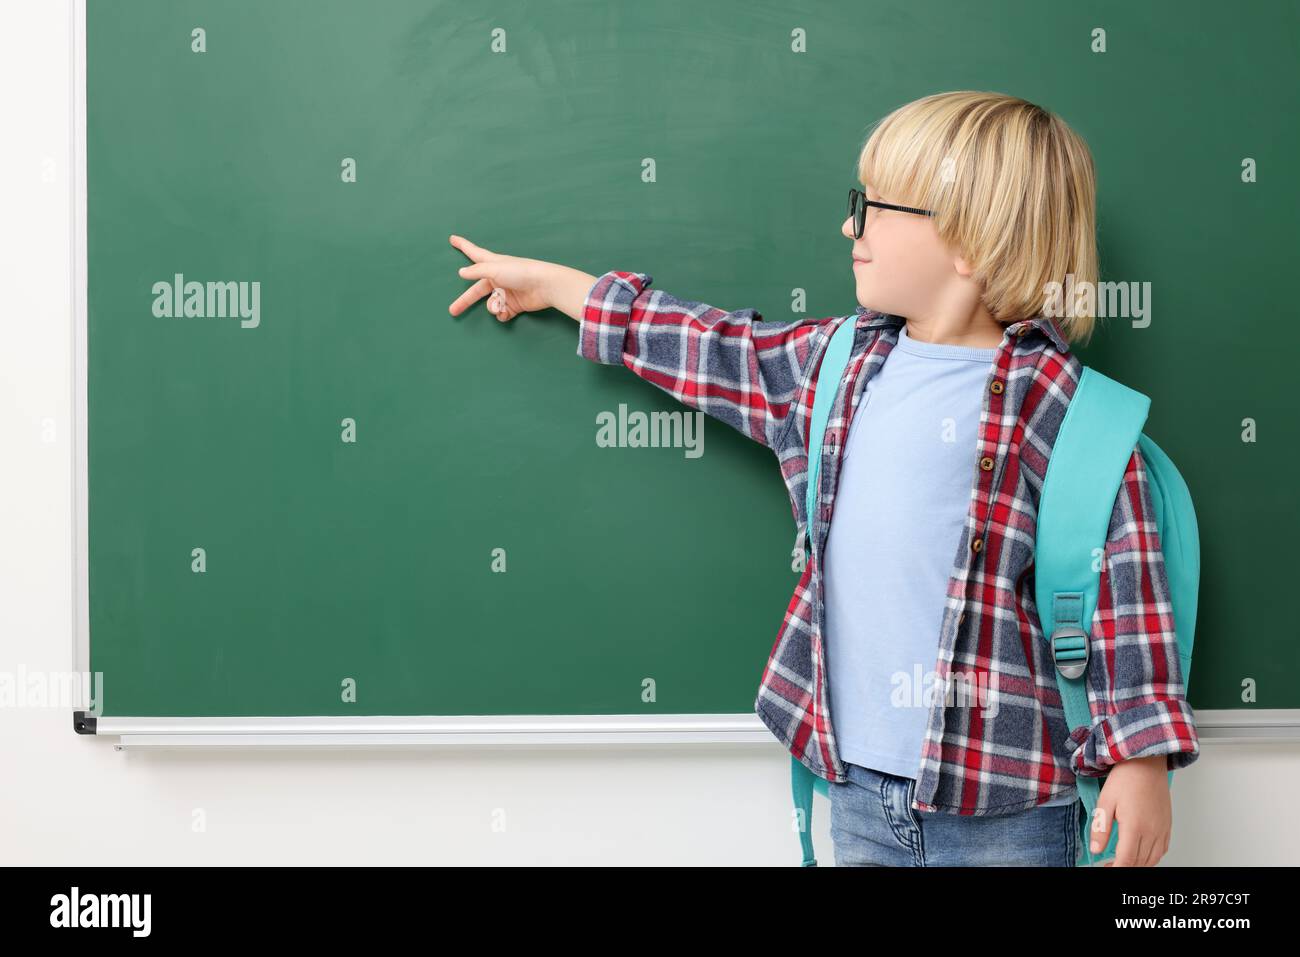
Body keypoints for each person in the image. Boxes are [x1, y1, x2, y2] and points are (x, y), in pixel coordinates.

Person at [447, 91, 1198, 866]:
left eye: (872, 207)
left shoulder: (1069, 412)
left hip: (1010, 807)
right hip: (858, 790)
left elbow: (1129, 595)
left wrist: (1140, 759)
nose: (849, 226)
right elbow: (711, 349)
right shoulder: (835, 367)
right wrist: (559, 286)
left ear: (970, 242)